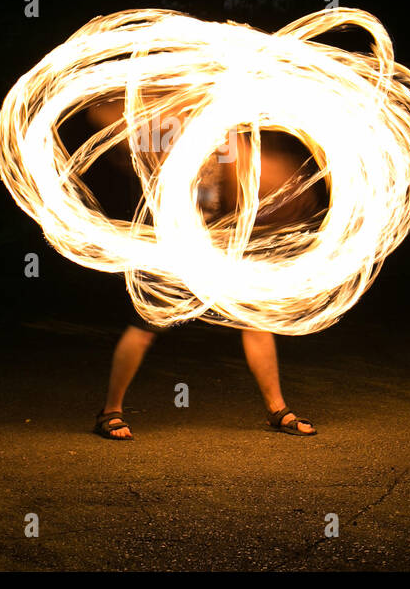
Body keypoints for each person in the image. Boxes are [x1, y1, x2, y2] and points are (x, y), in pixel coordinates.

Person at [84, 95, 321, 440]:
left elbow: (243, 170)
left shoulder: (219, 124)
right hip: (170, 244)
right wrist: (155, 113)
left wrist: (276, 182)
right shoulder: (158, 122)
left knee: (255, 322)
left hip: (216, 241)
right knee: (145, 328)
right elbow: (102, 114)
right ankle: (110, 412)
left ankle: (277, 410)